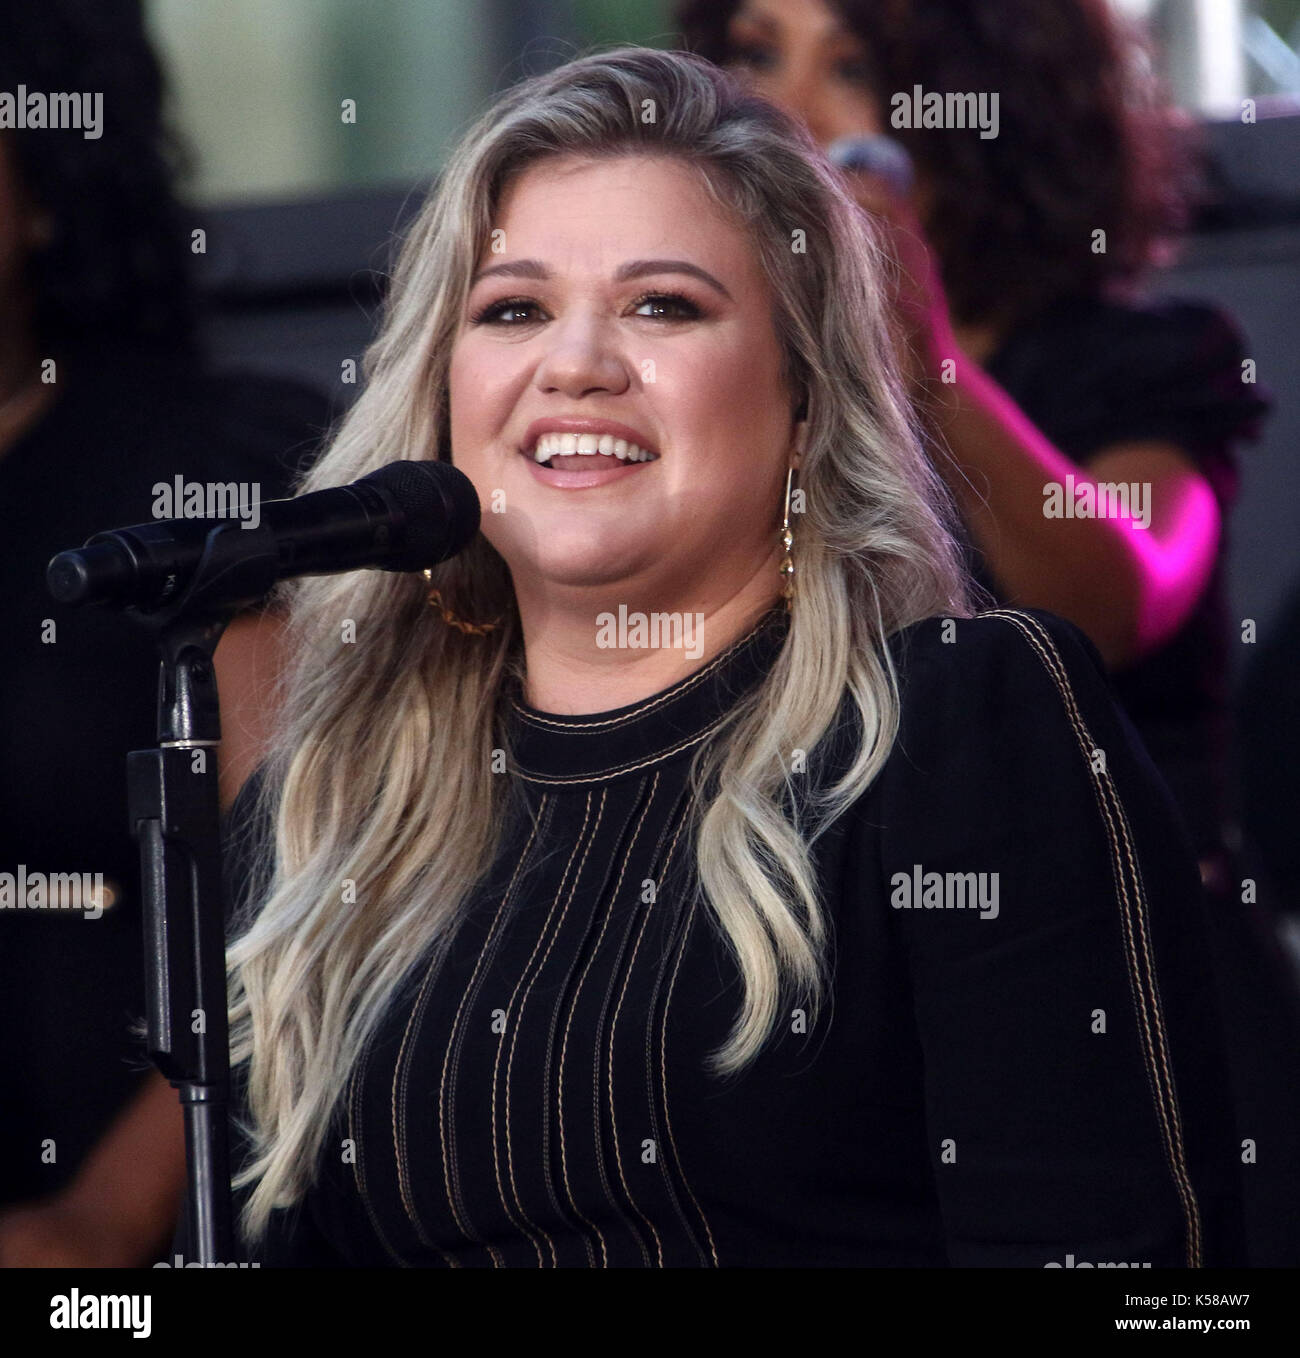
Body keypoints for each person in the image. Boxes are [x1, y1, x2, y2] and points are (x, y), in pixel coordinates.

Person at [212, 45, 1243, 1268]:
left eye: (664, 305)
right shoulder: (341, 802)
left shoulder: (958, 727)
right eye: (513, 309)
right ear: (442, 389)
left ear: (804, 399)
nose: (575, 362)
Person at [675, 0, 1296, 1268]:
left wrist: (922, 354)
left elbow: (1113, 599)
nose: (786, 107)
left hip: (1123, 990)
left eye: (852, 67)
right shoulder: (727, 388)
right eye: (752, 52)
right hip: (831, 1010)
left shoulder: (1145, 359)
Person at [0, 0, 330, 1265]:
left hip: (166, 1230)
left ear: (42, 188)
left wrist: (97, 1223)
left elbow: (294, 903)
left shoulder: (207, 470)